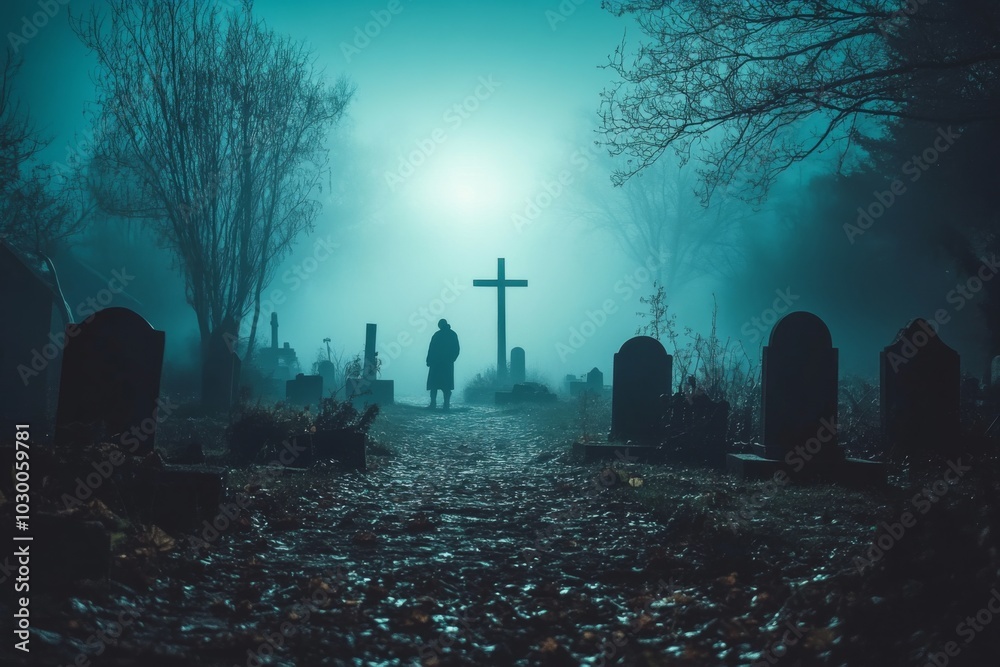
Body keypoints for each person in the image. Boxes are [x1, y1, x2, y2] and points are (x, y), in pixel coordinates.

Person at [426, 319, 460, 409]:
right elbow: (456, 349)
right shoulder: (452, 334)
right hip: (445, 364)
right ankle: (445, 404)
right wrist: (451, 359)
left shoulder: (437, 335)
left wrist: (429, 360)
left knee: (434, 385)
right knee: (445, 386)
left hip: (437, 363)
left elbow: (431, 349)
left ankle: (434, 404)